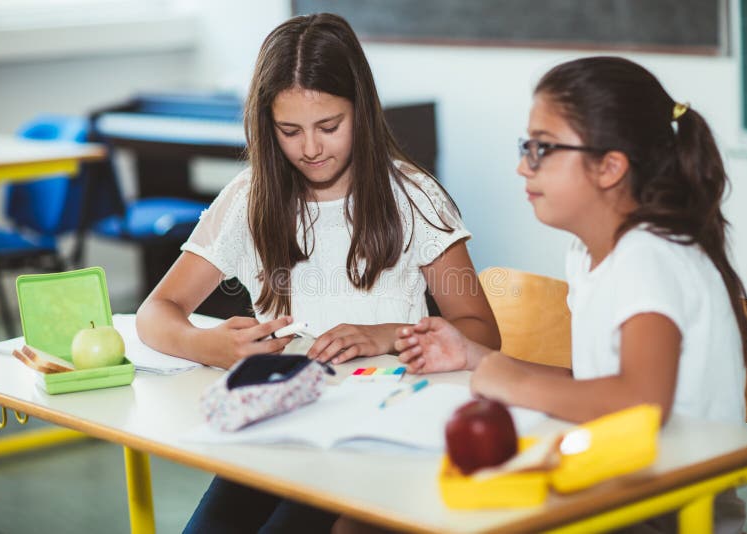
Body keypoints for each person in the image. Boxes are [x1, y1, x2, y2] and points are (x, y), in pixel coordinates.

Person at [135, 12, 499, 534]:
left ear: (361, 111)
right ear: (267, 126)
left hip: (380, 435)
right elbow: (156, 312)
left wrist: (388, 335)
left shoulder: (414, 197)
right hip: (277, 425)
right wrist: (209, 345)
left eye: (329, 126)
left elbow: (484, 332)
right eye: (289, 130)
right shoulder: (248, 198)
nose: (310, 147)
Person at [395, 57, 747, 533]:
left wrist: (512, 383)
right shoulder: (587, 255)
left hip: (667, 511)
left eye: (542, 148)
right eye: (526, 146)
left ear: (609, 167)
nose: (523, 166)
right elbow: (595, 385)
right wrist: (473, 356)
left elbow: (642, 402)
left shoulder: (650, 257)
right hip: (616, 485)